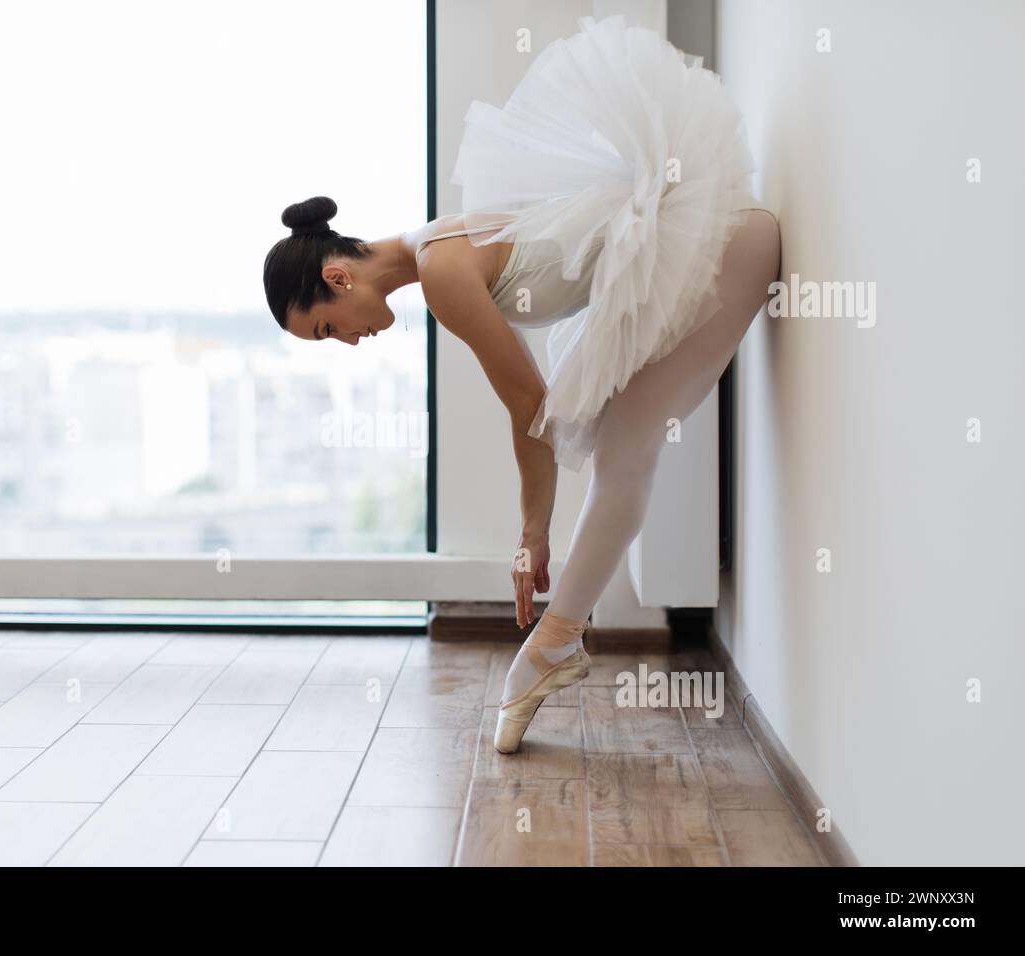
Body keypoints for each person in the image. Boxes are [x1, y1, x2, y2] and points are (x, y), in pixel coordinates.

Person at [262, 16, 780, 753]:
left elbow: (529, 404)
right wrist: (533, 527)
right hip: (737, 239)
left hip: (734, 246)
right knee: (626, 448)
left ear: (337, 278)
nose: (347, 341)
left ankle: (552, 645)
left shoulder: (442, 272)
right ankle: (554, 644)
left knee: (626, 450)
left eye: (327, 328)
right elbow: (534, 408)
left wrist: (532, 532)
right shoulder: (435, 245)